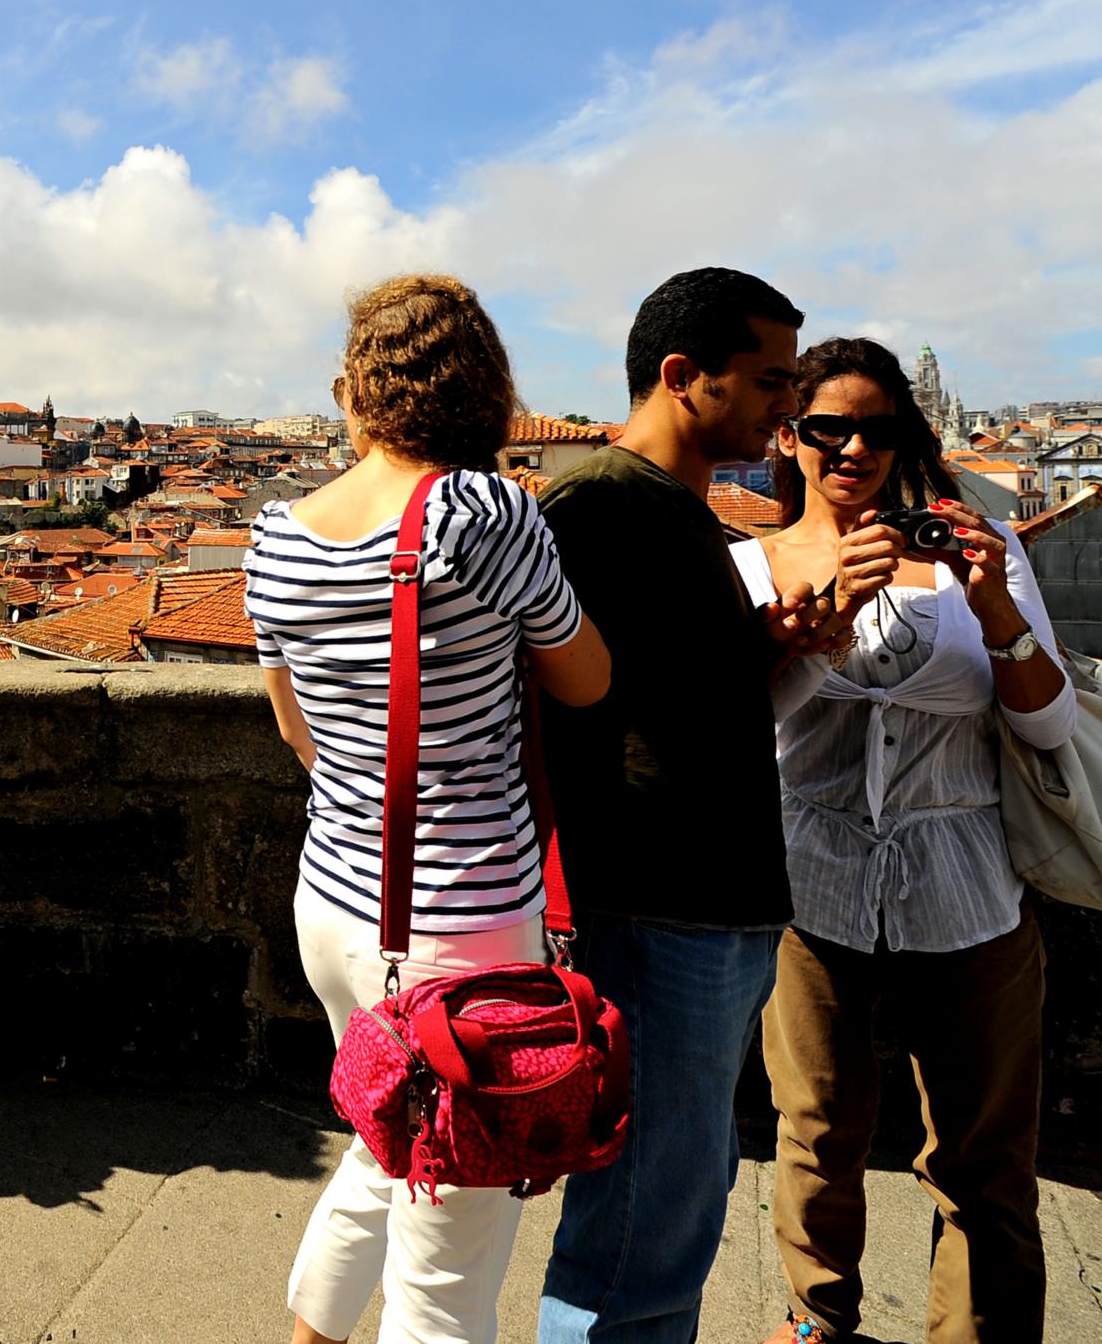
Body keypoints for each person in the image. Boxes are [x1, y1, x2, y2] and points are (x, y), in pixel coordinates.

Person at [247, 274, 611, 1344]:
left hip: (333, 901)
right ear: (482, 392)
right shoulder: (483, 513)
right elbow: (584, 680)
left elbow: (292, 732)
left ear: (354, 395)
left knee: (384, 1144)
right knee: (449, 1259)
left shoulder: (276, 532)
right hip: (467, 928)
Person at [733, 337, 1072, 1344]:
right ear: (788, 436)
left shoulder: (985, 551)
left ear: (904, 440)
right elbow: (735, 731)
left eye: (874, 430)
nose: (849, 450)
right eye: (824, 428)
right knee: (813, 1132)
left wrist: (995, 607)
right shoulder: (747, 564)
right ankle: (813, 1321)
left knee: (983, 1159)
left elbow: (1046, 726)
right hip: (810, 889)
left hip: (967, 889)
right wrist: (824, 613)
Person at [534, 268, 837, 1343]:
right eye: (766, 379)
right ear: (679, 375)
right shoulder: (594, 507)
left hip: (713, 907)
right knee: (638, 1231)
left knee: (675, 1202)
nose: (785, 408)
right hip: (655, 911)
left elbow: (663, 697)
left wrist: (765, 644)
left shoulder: (678, 515)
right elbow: (535, 713)